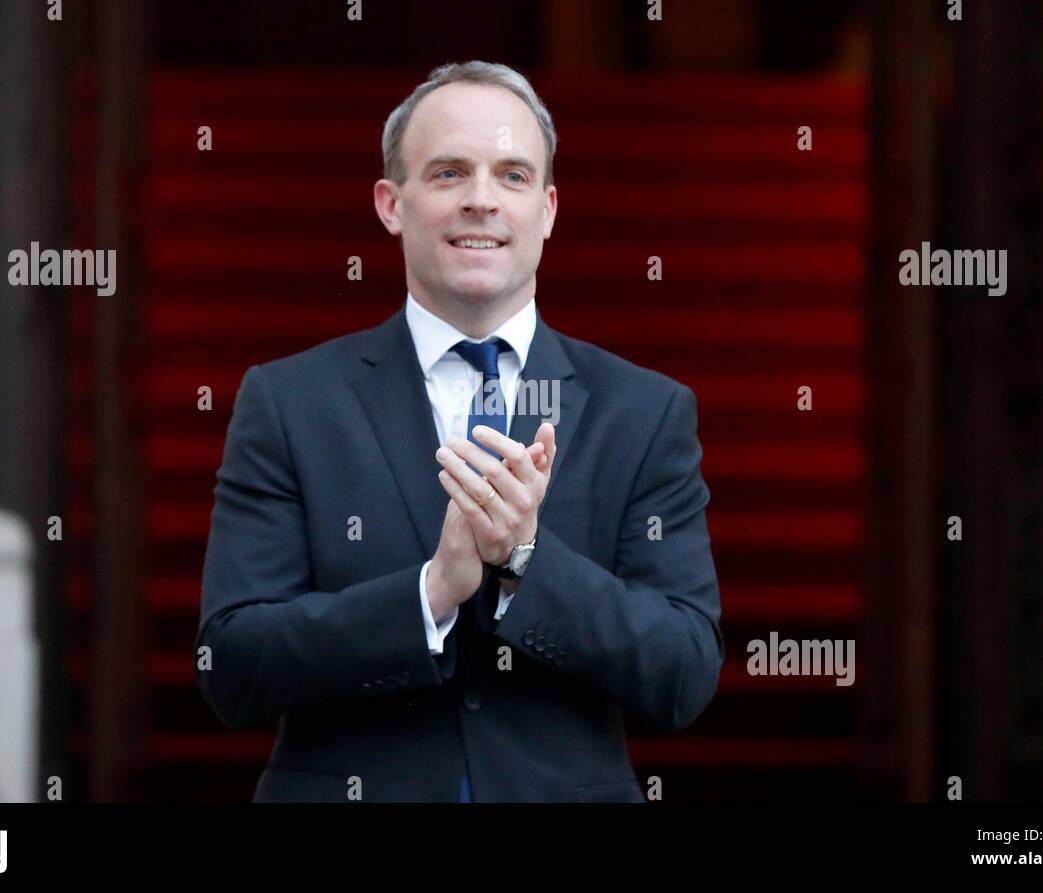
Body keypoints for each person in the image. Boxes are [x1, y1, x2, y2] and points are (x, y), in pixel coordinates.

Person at [196, 60, 724, 802]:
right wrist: (429, 592)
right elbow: (233, 664)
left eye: (511, 176)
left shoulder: (643, 411)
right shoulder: (289, 401)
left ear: (547, 209)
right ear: (390, 203)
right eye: (448, 173)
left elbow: (684, 670)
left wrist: (527, 561)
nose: (481, 200)